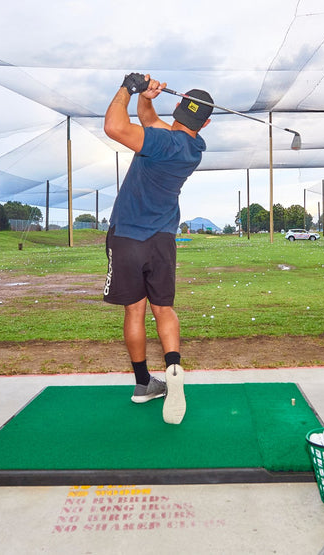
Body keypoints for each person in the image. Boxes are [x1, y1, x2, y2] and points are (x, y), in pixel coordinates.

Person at [102, 73, 213, 425]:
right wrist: (147, 98)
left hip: (128, 238)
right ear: (206, 122)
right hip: (162, 240)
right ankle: (174, 369)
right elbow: (149, 121)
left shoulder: (162, 143)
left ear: (178, 106)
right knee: (163, 310)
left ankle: (142, 383)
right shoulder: (193, 148)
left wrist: (127, 88)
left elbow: (114, 128)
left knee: (134, 312)